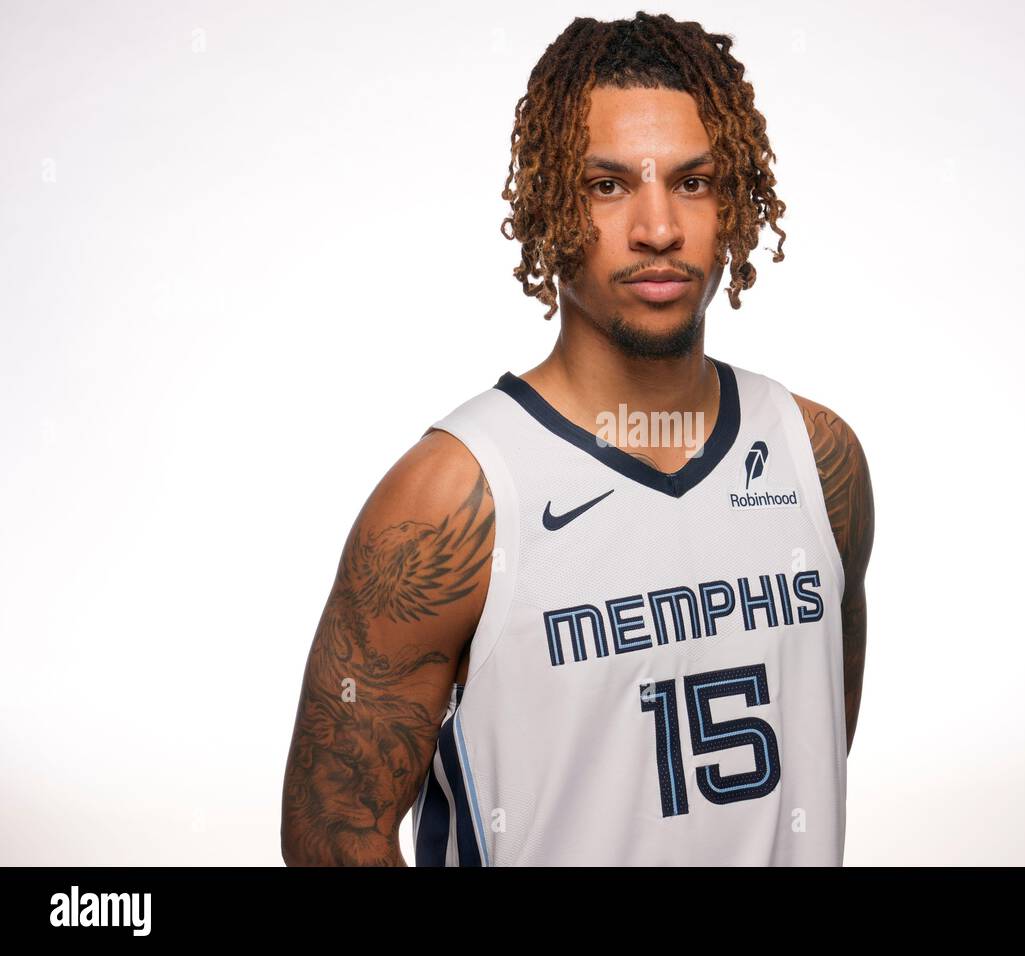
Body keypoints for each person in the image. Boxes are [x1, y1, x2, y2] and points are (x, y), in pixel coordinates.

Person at [281, 10, 873, 866]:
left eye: (694, 181)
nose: (658, 229)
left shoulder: (819, 459)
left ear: (735, 199)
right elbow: (332, 833)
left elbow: (812, 740)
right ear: (549, 200)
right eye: (608, 185)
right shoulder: (454, 497)